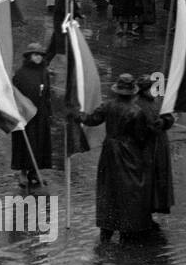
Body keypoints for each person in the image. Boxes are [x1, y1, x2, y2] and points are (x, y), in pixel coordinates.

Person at [72, 73, 159, 242]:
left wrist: (77, 114)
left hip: (109, 153)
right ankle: (127, 227)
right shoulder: (137, 112)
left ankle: (107, 227)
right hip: (129, 154)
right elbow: (141, 137)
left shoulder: (108, 106)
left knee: (108, 190)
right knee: (129, 191)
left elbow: (91, 119)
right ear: (133, 92)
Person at [11, 44, 52, 189]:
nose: (38, 57)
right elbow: (14, 95)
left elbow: (47, 94)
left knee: (39, 142)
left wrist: (48, 112)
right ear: (29, 56)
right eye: (35, 54)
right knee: (24, 142)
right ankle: (22, 172)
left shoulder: (44, 73)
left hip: (41, 114)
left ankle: (35, 171)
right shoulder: (20, 74)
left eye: (40, 55)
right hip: (25, 116)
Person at [138, 73, 175, 216]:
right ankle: (145, 211)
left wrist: (164, 122)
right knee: (147, 180)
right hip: (145, 147)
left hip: (159, 146)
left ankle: (157, 207)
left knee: (159, 178)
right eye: (147, 88)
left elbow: (169, 117)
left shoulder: (159, 101)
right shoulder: (136, 104)